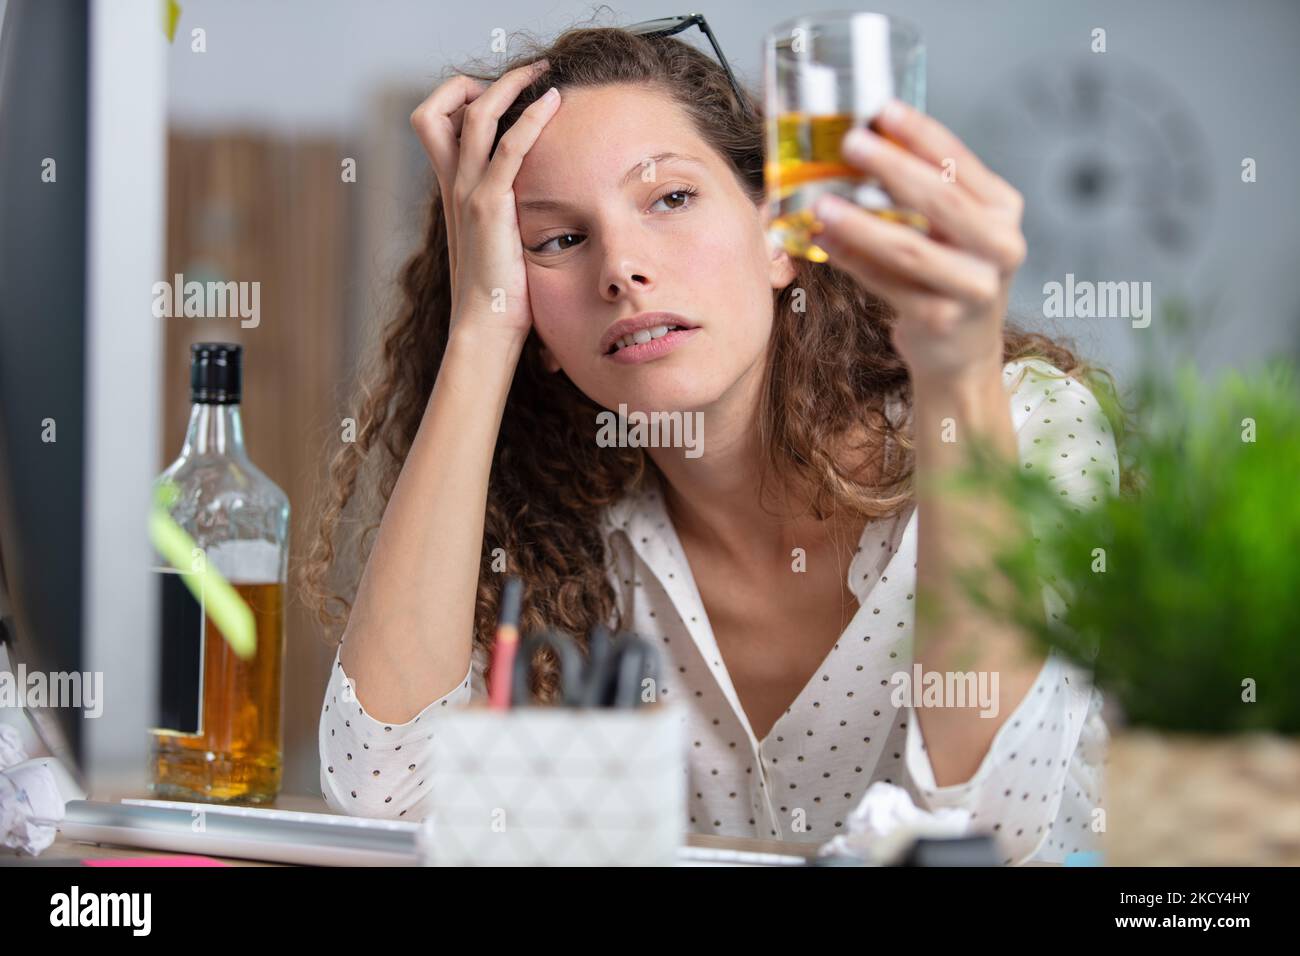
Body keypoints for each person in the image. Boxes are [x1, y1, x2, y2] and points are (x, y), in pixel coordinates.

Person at [304, 26, 1120, 863]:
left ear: (780, 235)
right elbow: (383, 796)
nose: (621, 269)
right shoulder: (564, 527)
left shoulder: (1023, 424)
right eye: (558, 240)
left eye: (671, 199)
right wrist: (480, 328)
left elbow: (992, 827)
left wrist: (958, 373)